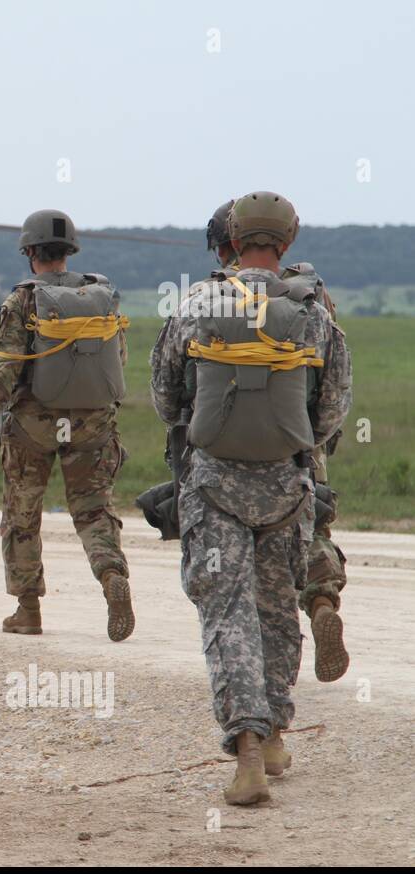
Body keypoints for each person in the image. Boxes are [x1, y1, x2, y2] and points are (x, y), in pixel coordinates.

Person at [151, 191, 352, 805]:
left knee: (227, 614)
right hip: (288, 486)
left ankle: (246, 753)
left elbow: (165, 396)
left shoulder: (196, 304)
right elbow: (333, 408)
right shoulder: (315, 314)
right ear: (287, 242)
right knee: (275, 610)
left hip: (213, 486)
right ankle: (276, 735)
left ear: (233, 240)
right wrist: (293, 451)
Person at [0, 209, 135, 641]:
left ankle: (28, 611)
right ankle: (110, 576)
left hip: (33, 424)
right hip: (93, 422)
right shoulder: (100, 295)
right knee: (94, 509)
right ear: (69, 252)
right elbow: (117, 361)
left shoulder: (22, 300)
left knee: (22, 514)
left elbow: (6, 364)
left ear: (30, 253)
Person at [205, 200, 348, 673]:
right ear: (285, 241)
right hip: (298, 438)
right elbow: (334, 383)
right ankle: (322, 601)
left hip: (229, 446)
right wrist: (309, 438)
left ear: (230, 243)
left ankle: (246, 656)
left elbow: (175, 388)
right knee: (311, 529)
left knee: (237, 547)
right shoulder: (309, 295)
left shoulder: (213, 297)